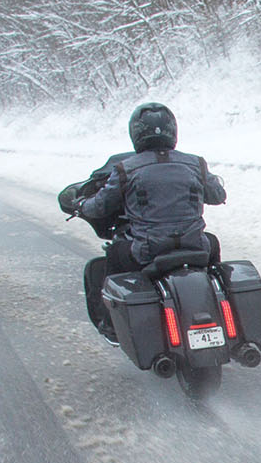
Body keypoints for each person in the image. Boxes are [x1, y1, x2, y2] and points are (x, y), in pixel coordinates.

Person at [67, 102, 226, 340]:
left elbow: (100, 206)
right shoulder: (196, 164)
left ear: (136, 134)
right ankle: (216, 300)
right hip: (196, 246)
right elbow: (218, 196)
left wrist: (80, 205)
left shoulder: (125, 169)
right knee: (212, 242)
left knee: (112, 257)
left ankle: (112, 324)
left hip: (148, 251)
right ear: (173, 130)